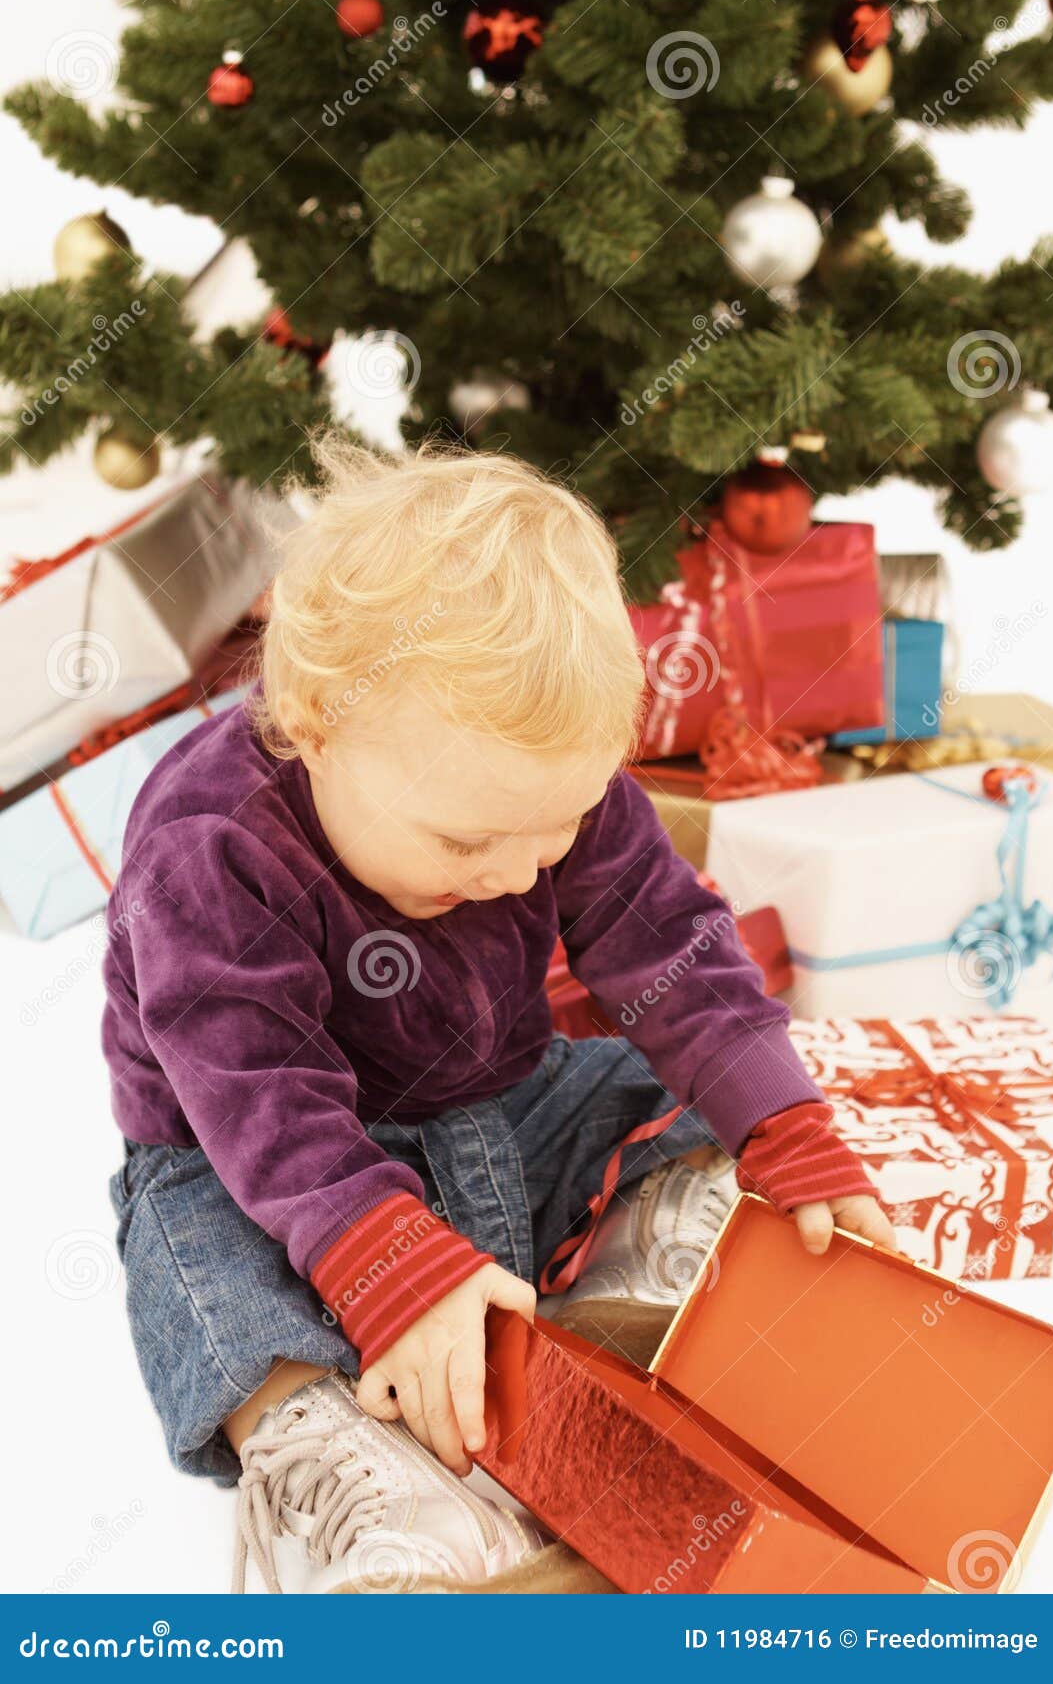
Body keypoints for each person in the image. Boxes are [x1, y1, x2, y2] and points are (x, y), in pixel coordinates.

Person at [103, 434, 895, 1594]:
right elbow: (256, 1089)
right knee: (208, 1276)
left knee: (666, 1116)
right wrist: (384, 1261)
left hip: (501, 1103)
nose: (523, 875)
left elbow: (667, 942)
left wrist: (783, 1130)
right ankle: (339, 1469)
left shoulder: (534, 785)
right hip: (266, 1165)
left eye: (559, 829)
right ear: (318, 719)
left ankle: (648, 1315)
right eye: (469, 844)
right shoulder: (208, 845)